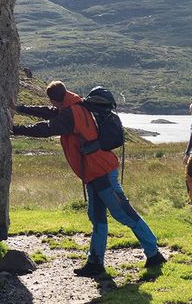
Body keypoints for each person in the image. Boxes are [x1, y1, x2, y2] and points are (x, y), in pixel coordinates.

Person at [12, 80, 166, 280]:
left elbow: (47, 128)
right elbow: (49, 112)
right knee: (98, 218)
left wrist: (16, 129)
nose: (53, 107)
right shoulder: (73, 105)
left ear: (55, 99)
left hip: (100, 171)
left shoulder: (71, 112)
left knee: (123, 213)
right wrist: (19, 108)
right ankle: (95, 263)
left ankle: (154, 253)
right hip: (94, 173)